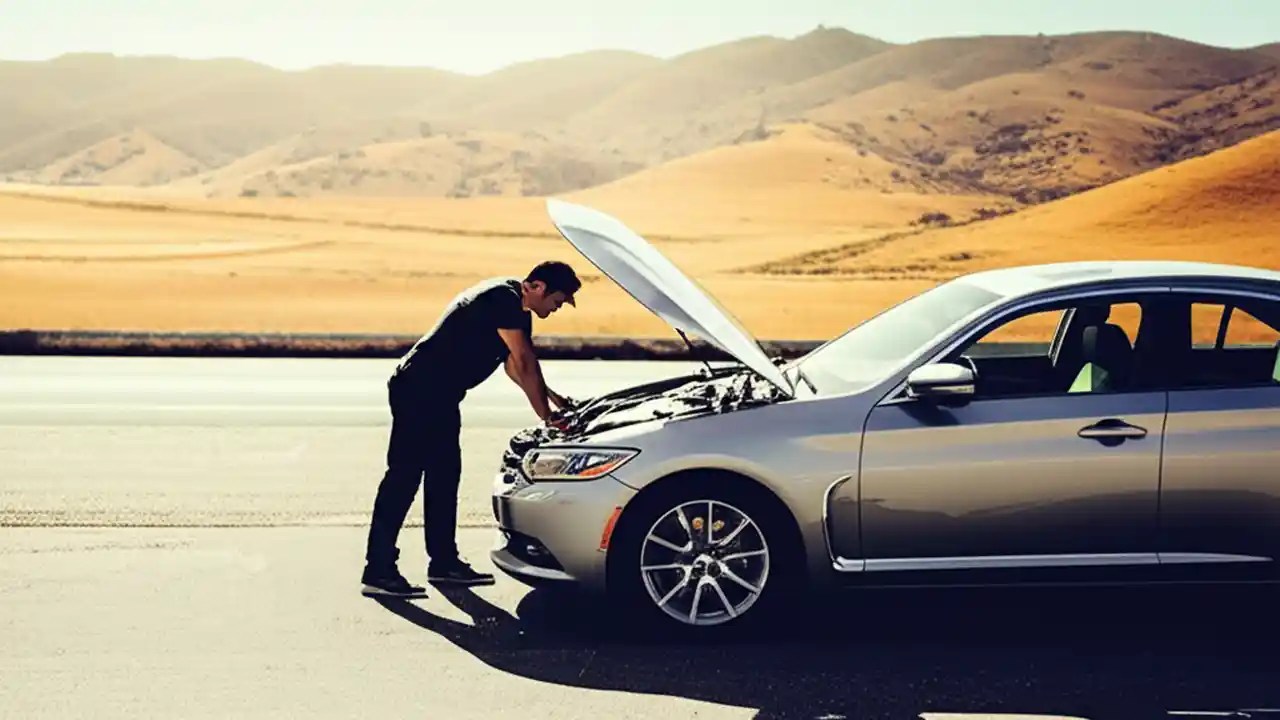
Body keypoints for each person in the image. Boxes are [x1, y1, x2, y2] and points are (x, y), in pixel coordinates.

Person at [361, 261, 582, 597]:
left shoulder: (517, 309)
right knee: (404, 478)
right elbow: (523, 361)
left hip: (440, 396)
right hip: (418, 389)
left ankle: (444, 563)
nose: (557, 308)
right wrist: (547, 417)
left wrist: (552, 399)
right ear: (536, 286)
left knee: (445, 476)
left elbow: (514, 366)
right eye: (557, 300)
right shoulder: (503, 298)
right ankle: (378, 570)